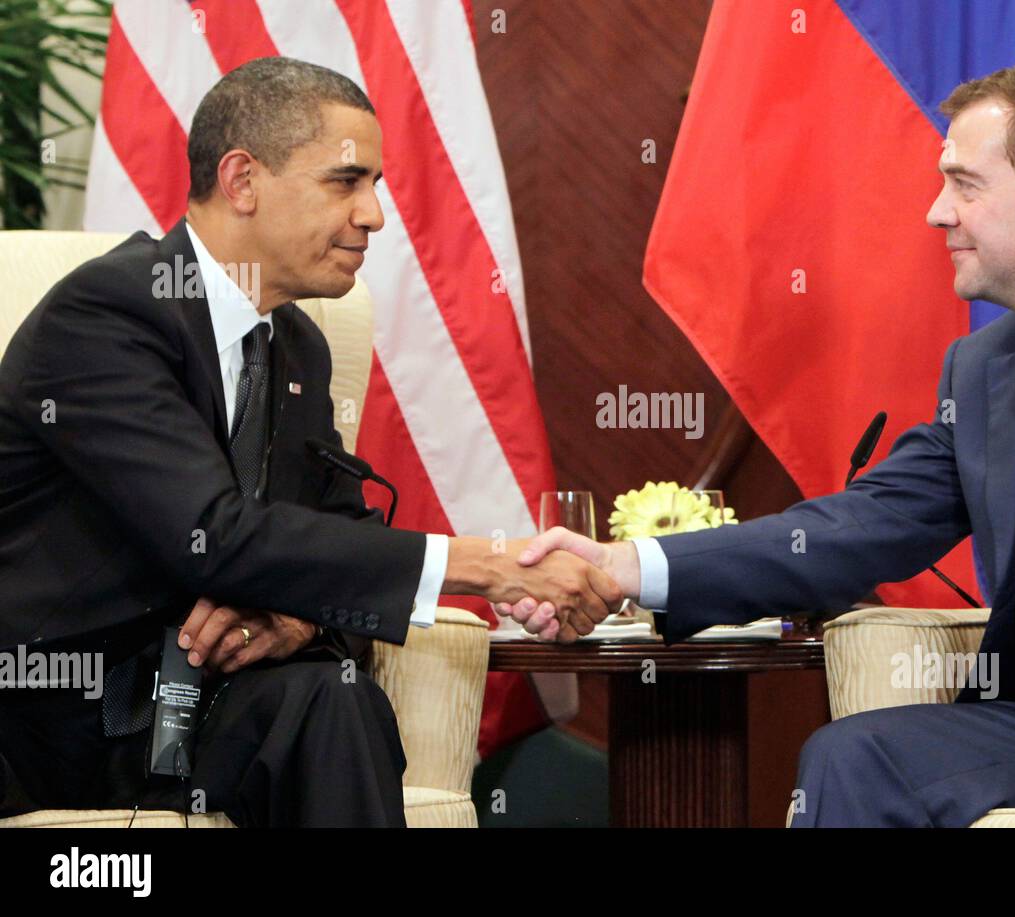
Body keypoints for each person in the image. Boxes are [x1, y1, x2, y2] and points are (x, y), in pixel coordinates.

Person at [499, 57, 1015, 827]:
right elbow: (858, 526)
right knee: (853, 760)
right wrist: (628, 567)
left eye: (964, 183)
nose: (937, 211)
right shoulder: (986, 370)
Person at [0, 57, 621, 827]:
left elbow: (331, 532)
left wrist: (299, 616)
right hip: (67, 719)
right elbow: (214, 535)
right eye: (346, 181)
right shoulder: (107, 315)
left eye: (376, 186)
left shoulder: (295, 343)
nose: (375, 215)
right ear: (242, 179)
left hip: (205, 702)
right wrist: (487, 566)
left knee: (332, 694)